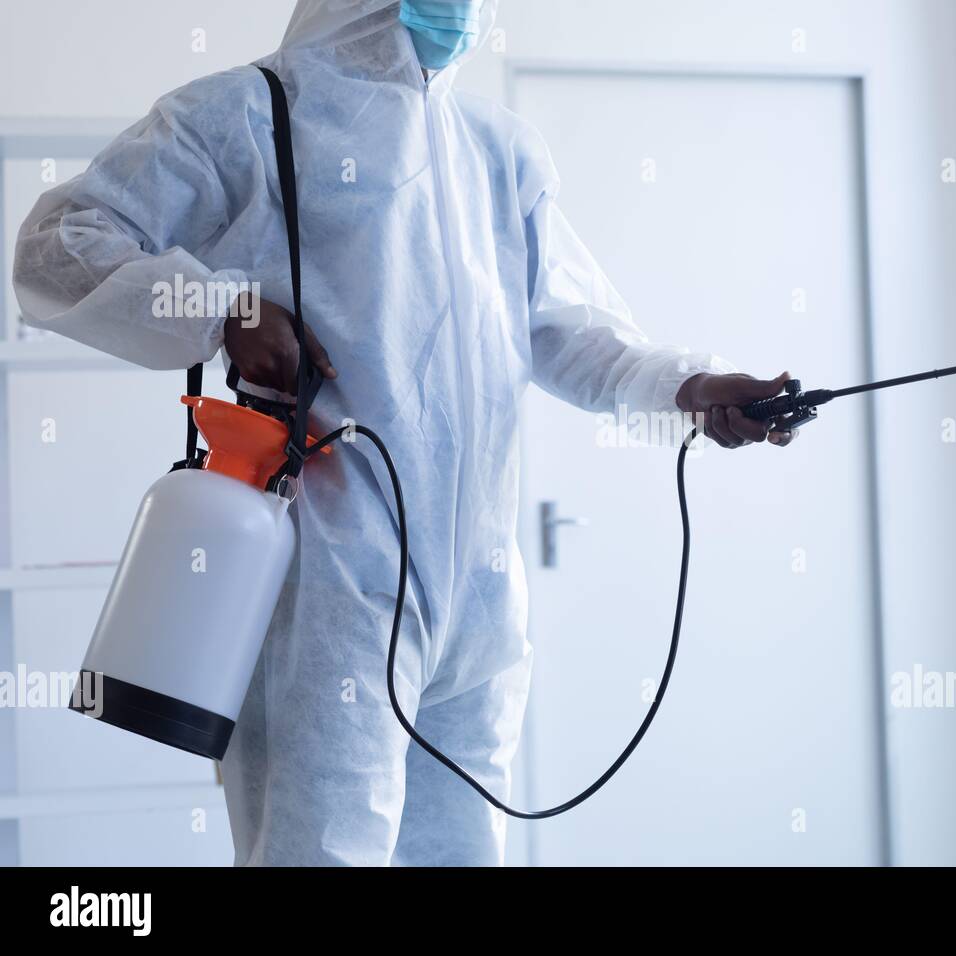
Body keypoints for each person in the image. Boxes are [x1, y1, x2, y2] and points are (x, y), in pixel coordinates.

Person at [12, 0, 794, 866]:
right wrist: (221, 307)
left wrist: (689, 388)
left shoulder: (499, 152)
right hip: (329, 585)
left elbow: (568, 333)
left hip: (481, 604)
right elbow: (59, 246)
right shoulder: (247, 114)